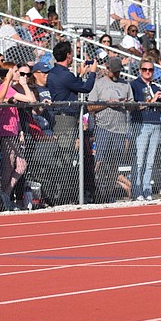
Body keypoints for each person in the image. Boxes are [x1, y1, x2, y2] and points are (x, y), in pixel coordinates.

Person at [47, 41, 98, 203]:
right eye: (71, 53)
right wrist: (93, 73)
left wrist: (79, 75)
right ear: (68, 55)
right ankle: (64, 195)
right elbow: (85, 88)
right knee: (67, 158)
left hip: (61, 118)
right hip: (66, 120)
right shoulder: (65, 74)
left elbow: (69, 88)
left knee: (67, 156)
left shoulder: (54, 73)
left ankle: (66, 193)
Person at [88, 57, 133, 203]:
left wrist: (125, 104)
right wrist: (107, 103)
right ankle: (95, 190)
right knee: (99, 161)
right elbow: (90, 107)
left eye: (118, 72)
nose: (116, 74)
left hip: (120, 129)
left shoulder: (126, 85)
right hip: (103, 128)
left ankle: (108, 192)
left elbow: (132, 105)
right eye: (114, 72)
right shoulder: (99, 84)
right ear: (107, 69)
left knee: (115, 164)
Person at [0, 62, 37, 210]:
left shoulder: (11, 89)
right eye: (16, 72)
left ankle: (6, 193)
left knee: (21, 164)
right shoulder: (5, 88)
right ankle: (4, 196)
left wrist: (20, 130)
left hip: (13, 130)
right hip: (5, 130)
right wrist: (24, 85)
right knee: (9, 165)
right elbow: (31, 100)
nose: (19, 74)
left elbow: (16, 113)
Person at [130, 56, 161, 200]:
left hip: (155, 123)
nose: (148, 72)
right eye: (145, 69)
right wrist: (151, 100)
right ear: (140, 70)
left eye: (150, 70)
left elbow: (159, 108)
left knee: (150, 161)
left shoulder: (155, 86)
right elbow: (134, 106)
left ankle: (147, 189)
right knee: (139, 159)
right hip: (141, 124)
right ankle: (137, 189)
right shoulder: (134, 85)